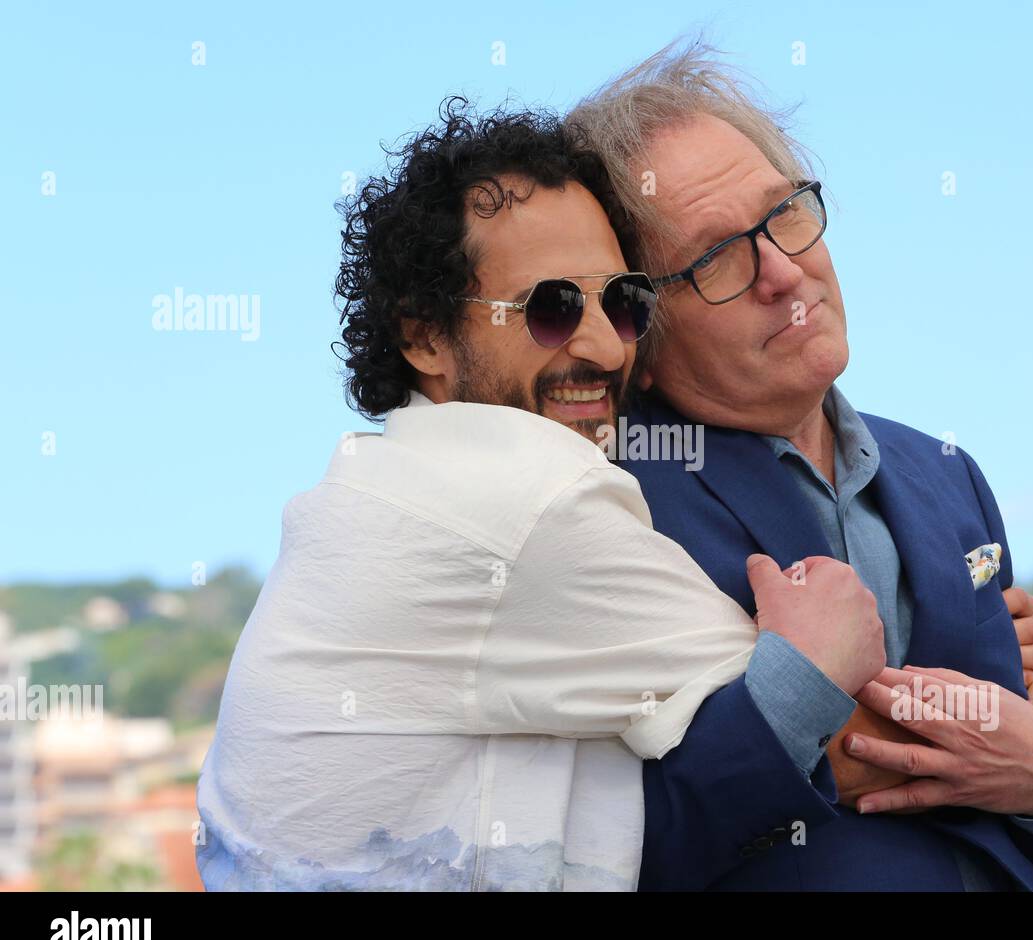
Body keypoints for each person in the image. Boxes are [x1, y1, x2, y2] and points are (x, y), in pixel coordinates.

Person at [194, 100, 885, 891]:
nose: (603, 347)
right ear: (423, 335)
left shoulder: (384, 480)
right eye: (551, 309)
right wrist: (996, 721)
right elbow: (846, 736)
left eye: (622, 304)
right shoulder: (526, 497)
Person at [566, 40, 1033, 890]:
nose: (783, 271)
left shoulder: (948, 473)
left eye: (785, 211)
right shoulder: (613, 499)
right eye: (716, 256)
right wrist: (821, 711)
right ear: (634, 327)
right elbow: (618, 837)